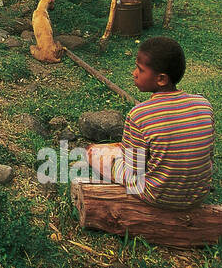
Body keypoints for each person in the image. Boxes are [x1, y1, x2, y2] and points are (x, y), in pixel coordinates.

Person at [85, 37, 214, 209]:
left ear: (161, 79)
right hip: (198, 194)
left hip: (158, 195)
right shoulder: (204, 104)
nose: (134, 73)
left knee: (94, 152)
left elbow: (133, 172)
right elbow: (209, 156)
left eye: (140, 69)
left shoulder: (139, 115)